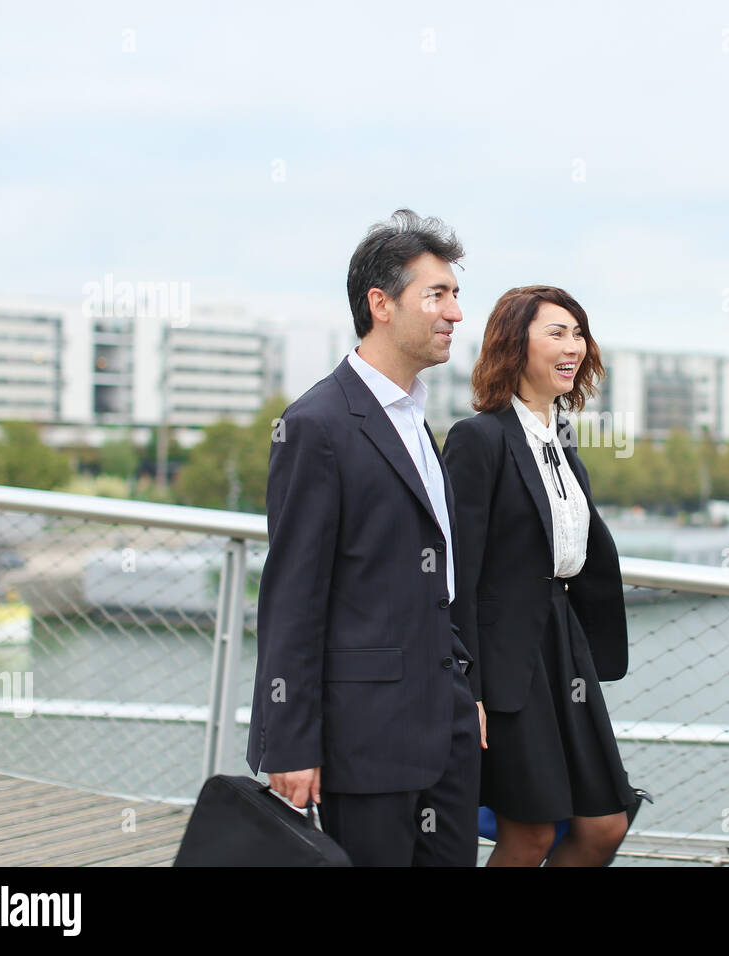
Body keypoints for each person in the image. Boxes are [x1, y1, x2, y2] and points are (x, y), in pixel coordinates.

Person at [245, 209, 485, 867]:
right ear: (380, 304)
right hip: (366, 742)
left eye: (456, 295)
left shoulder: (418, 419)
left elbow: (443, 576)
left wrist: (471, 692)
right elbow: (293, 596)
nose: (456, 313)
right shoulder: (316, 425)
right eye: (436, 295)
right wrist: (287, 742)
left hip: (447, 732)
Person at [443, 285, 637, 867]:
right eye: (556, 332)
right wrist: (467, 686)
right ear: (513, 343)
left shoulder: (559, 437)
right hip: (507, 665)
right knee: (527, 834)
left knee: (605, 823)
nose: (572, 345)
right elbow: (459, 576)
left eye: (578, 333)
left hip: (564, 648)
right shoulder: (479, 439)